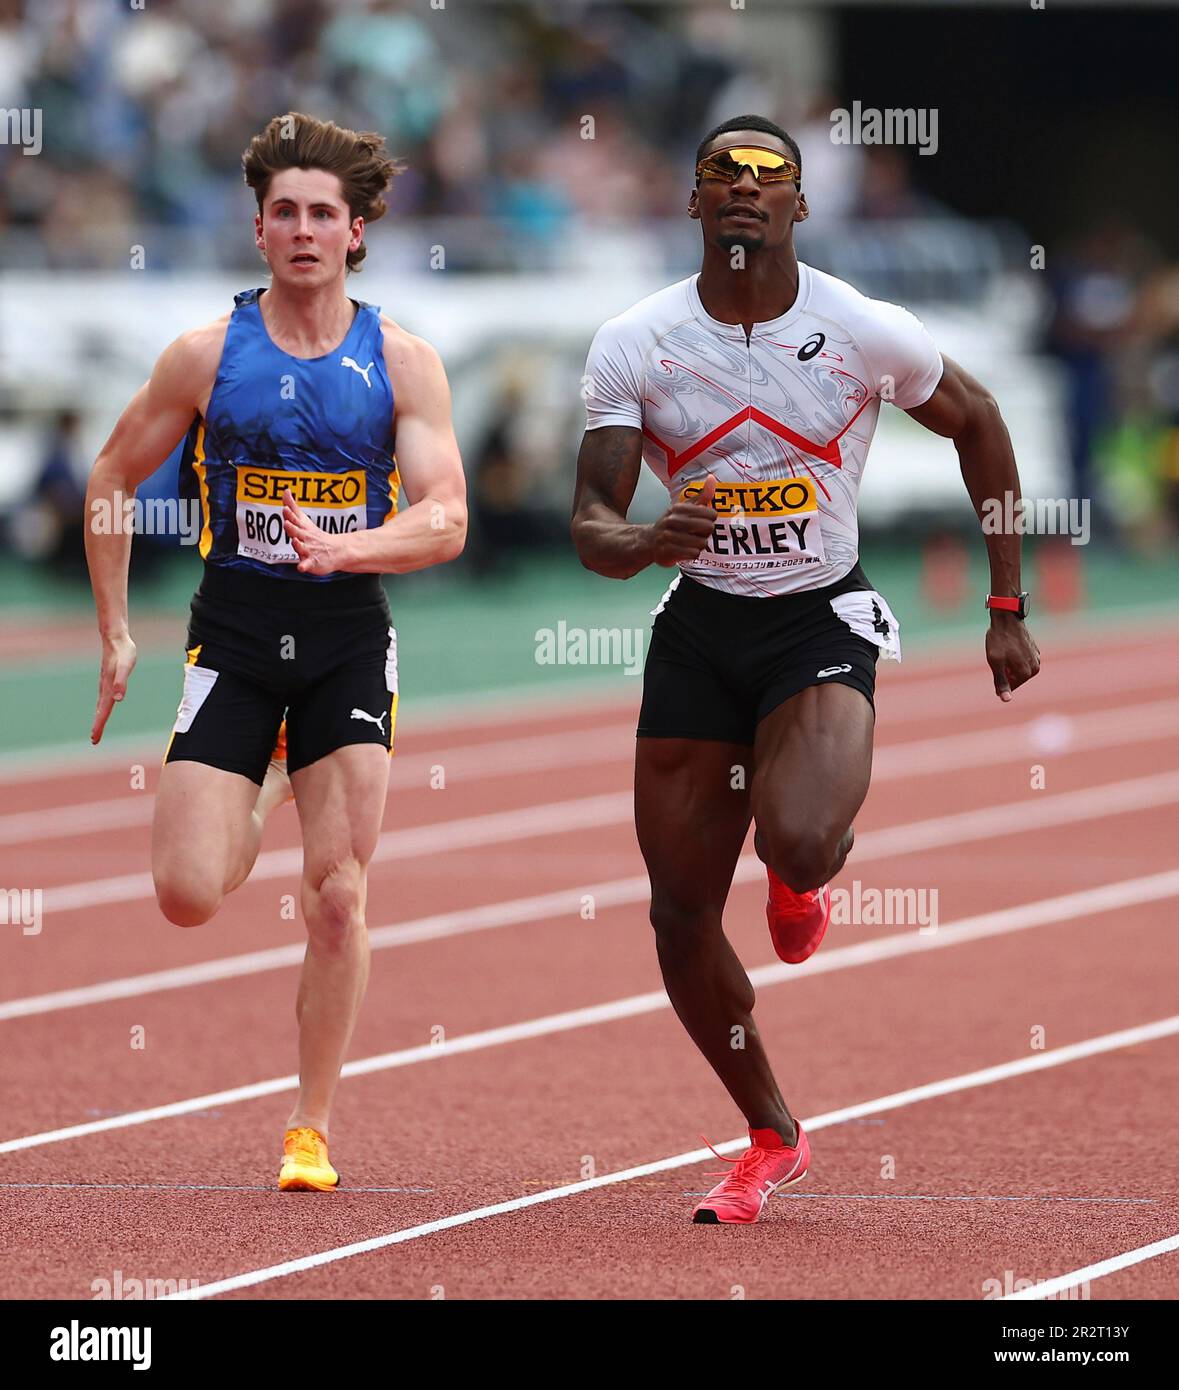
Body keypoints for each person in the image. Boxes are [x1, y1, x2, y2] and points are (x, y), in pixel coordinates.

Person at [571, 115, 1039, 1224]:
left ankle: (798, 876)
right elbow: (590, 522)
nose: (744, 185)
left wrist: (1005, 605)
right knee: (678, 915)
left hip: (818, 618)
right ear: (692, 200)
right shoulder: (635, 342)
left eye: (767, 172)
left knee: (799, 835)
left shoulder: (862, 329)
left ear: (799, 202)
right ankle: (771, 1133)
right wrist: (645, 542)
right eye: (721, 171)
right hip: (701, 629)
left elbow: (979, 422)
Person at [84, 113, 467, 1191]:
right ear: (258, 230)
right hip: (237, 635)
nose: (304, 230)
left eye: (323, 214)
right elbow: (111, 476)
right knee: (187, 892)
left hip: (346, 639)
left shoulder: (401, 361)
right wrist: (115, 629)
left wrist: (351, 548)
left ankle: (310, 1127)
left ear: (355, 232)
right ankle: (272, 777)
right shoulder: (207, 355)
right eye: (285, 212)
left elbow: (446, 517)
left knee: (337, 892)